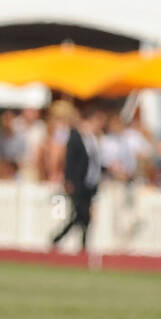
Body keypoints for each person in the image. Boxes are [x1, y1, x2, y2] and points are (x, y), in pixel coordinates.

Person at [51, 106, 105, 251]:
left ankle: (80, 244)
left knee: (84, 216)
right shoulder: (76, 136)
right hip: (78, 183)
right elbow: (70, 160)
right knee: (81, 214)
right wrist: (68, 180)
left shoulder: (93, 139)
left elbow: (95, 162)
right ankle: (59, 239)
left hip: (90, 183)